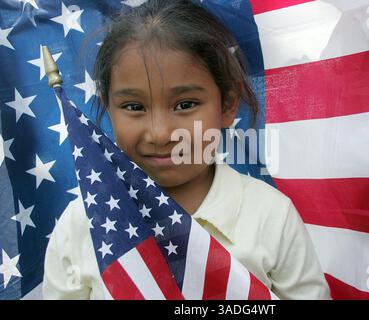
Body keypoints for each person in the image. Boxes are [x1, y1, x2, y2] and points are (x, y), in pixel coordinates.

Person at [43, 0, 330, 300]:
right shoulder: (82, 224)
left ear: (228, 104)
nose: (161, 133)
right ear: (108, 108)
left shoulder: (272, 217)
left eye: (185, 105)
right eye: (134, 107)